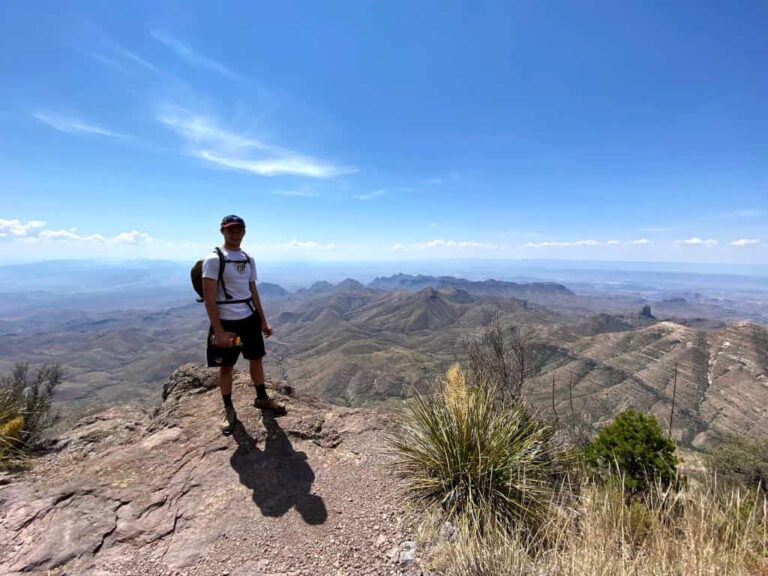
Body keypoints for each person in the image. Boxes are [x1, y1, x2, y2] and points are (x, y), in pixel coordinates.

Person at [202, 214, 286, 435]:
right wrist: (218, 331)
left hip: (249, 320)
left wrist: (263, 321)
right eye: (230, 229)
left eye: (238, 229)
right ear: (222, 231)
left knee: (256, 358)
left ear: (244, 232)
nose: (235, 233)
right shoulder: (213, 259)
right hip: (227, 323)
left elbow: (253, 291)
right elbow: (209, 298)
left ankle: (262, 398)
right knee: (227, 365)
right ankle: (228, 409)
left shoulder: (248, 259)